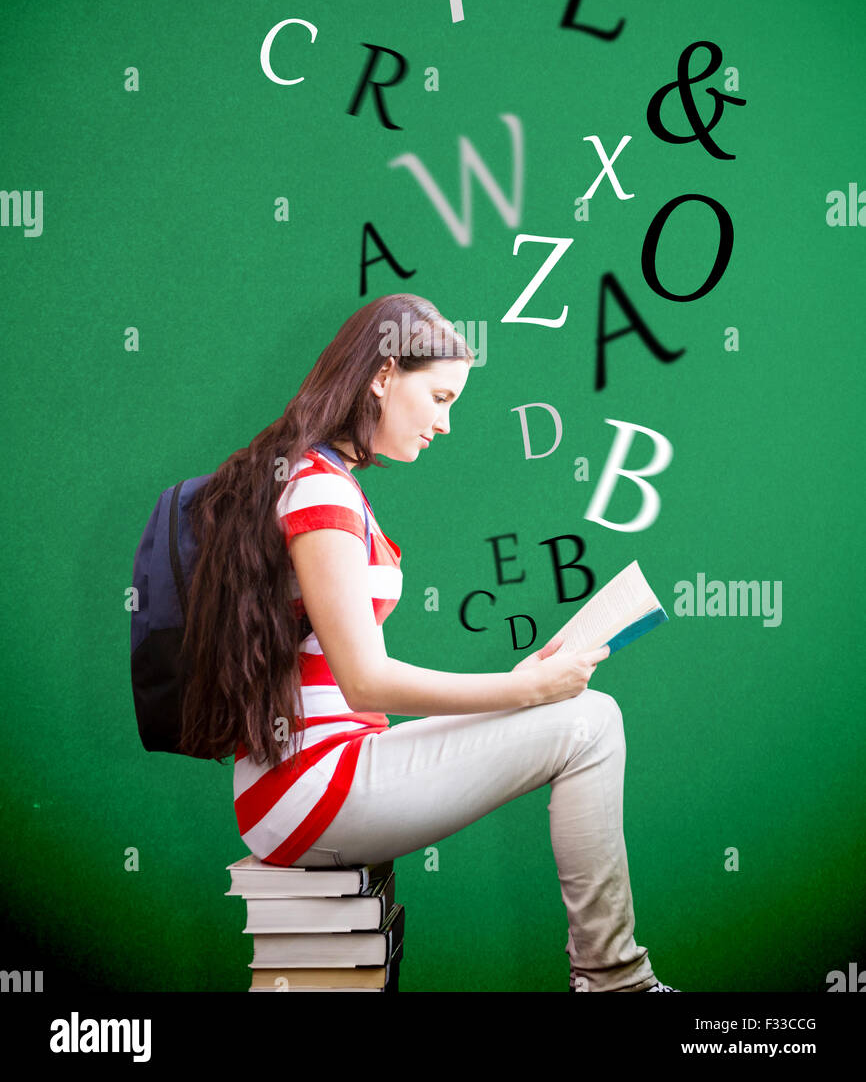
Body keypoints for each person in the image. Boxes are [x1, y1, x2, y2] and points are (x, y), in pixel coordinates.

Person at [179, 292, 679, 992]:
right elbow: (366, 681)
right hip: (311, 784)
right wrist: (522, 690)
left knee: (569, 716)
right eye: (439, 396)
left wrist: (518, 695)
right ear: (383, 375)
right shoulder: (319, 491)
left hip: (319, 772)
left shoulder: (316, 478)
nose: (446, 423)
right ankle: (615, 982)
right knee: (592, 723)